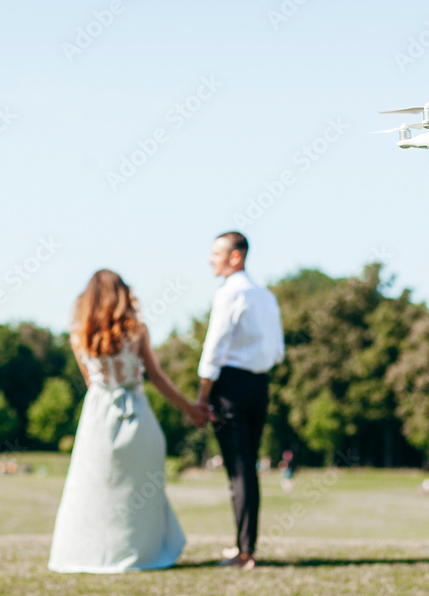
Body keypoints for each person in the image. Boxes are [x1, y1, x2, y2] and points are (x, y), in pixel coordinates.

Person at [48, 269, 210, 573]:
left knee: (93, 488)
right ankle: (141, 553)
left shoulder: (78, 334)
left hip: (98, 417)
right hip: (136, 413)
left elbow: (91, 383)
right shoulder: (137, 331)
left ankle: (92, 554)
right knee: (140, 489)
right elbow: (157, 378)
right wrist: (190, 408)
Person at [196, 232, 284, 571]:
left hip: (230, 385)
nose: (210, 259)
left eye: (215, 252)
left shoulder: (229, 294)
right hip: (259, 385)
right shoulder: (267, 297)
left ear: (236, 256)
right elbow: (277, 352)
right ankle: (245, 544)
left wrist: (202, 399)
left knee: (239, 469)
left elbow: (213, 350)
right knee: (246, 467)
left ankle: (245, 551)